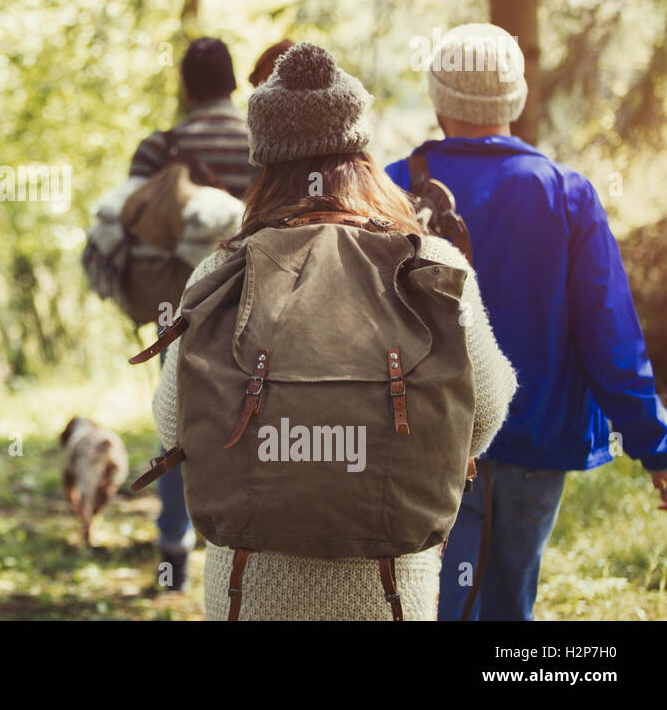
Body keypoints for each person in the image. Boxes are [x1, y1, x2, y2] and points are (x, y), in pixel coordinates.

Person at [151, 41, 517, 619]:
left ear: (264, 162)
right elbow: (489, 404)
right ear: (361, 152)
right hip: (390, 588)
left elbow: (175, 421)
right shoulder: (433, 263)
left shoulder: (222, 271)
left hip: (252, 591)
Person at [385, 23, 667, 621]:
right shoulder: (566, 193)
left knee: (430, 600)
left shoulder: (390, 190)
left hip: (421, 439)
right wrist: (655, 446)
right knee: (510, 607)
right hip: (533, 441)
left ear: (439, 98)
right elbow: (610, 336)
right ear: (514, 98)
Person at [128, 37, 255, 591]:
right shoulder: (263, 142)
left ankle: (173, 552)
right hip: (256, 304)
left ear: (185, 85)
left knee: (176, 423)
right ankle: (242, 546)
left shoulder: (161, 147)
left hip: (176, 309)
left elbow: (132, 224)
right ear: (233, 83)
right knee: (255, 421)